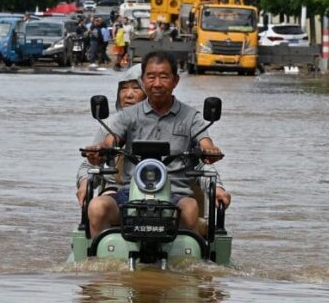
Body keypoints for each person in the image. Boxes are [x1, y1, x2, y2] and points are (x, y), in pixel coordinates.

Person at [83, 50, 224, 238]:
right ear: (143, 80)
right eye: (151, 77)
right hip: (130, 194)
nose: (157, 84)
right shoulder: (127, 115)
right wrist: (100, 150)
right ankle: (99, 262)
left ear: (175, 81)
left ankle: (186, 263)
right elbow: (111, 139)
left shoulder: (191, 117)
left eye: (164, 77)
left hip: (176, 195)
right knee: (96, 207)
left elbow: (205, 142)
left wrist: (209, 151)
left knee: (190, 209)